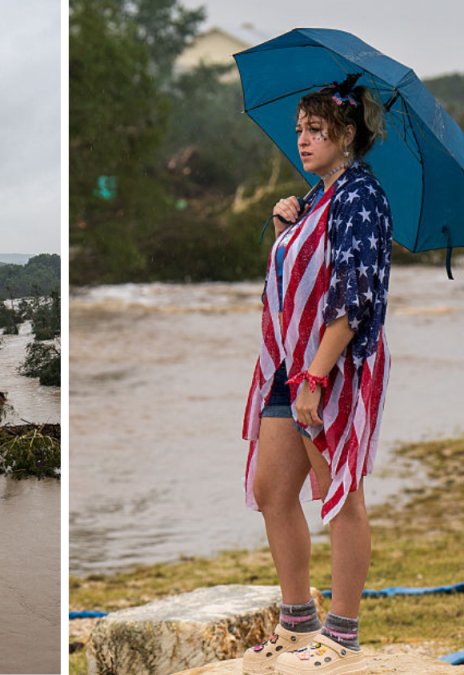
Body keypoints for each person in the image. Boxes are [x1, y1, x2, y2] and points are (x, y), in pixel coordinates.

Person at [239, 75, 392, 675]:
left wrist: (317, 378)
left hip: (331, 366)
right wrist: (283, 235)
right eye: (299, 128)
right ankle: (298, 623)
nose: (301, 139)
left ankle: (344, 634)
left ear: (347, 134)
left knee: (337, 494)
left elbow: (355, 300)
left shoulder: (360, 197)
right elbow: (279, 295)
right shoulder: (315, 199)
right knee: (272, 491)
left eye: (315, 129)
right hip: (288, 363)